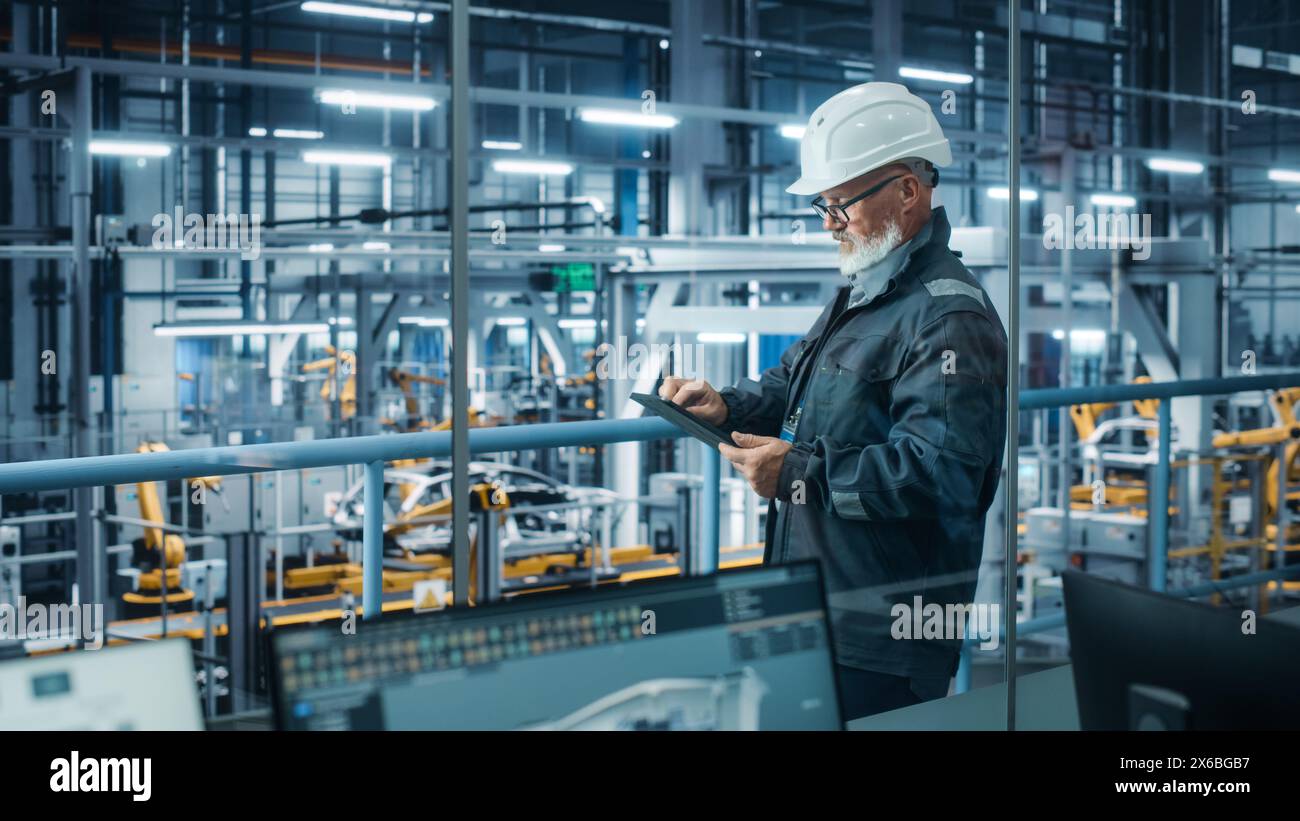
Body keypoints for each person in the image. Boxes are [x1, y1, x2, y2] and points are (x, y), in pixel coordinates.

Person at [659, 82, 1008, 721]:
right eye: (823, 204)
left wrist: (797, 472)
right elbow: (794, 386)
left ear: (907, 190)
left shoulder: (948, 319)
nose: (828, 222)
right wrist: (726, 407)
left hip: (886, 637)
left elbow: (944, 477)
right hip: (821, 610)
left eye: (840, 203)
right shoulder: (863, 295)